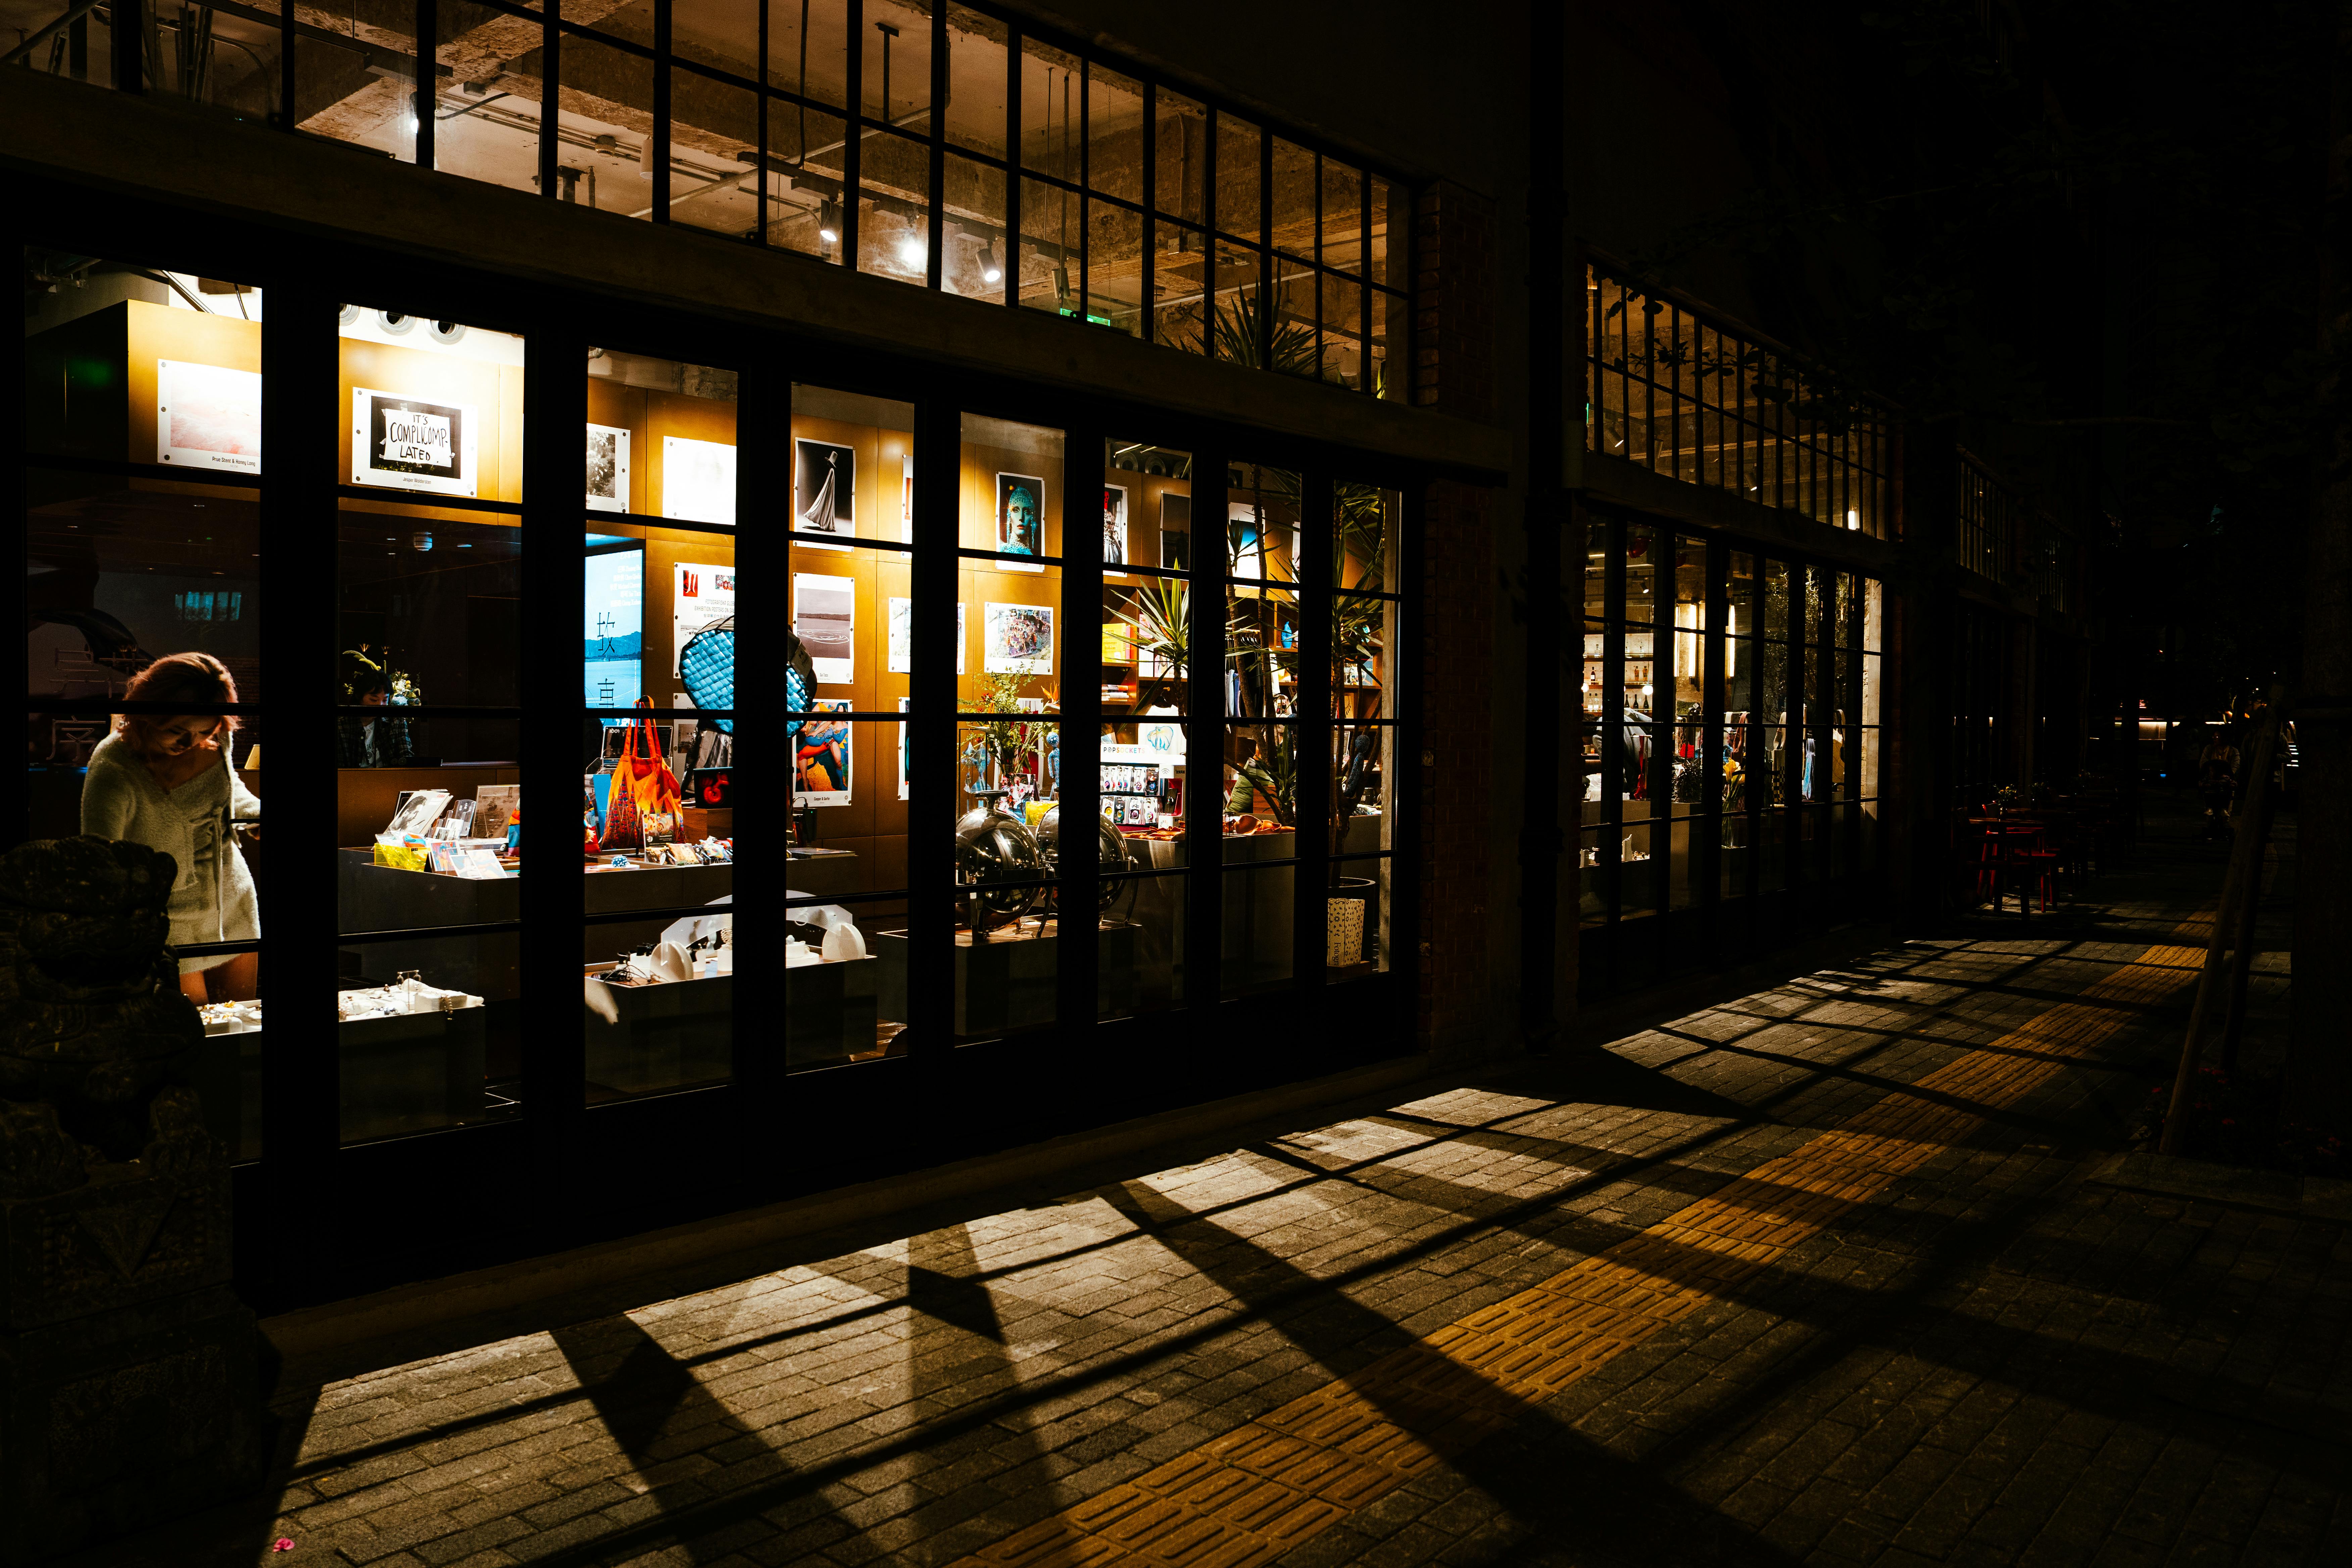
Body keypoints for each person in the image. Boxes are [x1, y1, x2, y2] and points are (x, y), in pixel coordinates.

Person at [80, 652, 260, 1002]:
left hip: (233, 900)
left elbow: (229, 788)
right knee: (192, 1039)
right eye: (176, 731)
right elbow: (98, 858)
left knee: (242, 1028)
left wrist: (254, 813)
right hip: (166, 920)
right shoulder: (114, 766)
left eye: (204, 731)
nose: (191, 743)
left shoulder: (218, 738)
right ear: (147, 718)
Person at [2196, 730, 2240, 839]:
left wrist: (2228, 778)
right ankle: (2210, 827)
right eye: (2214, 737)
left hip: (2225, 785)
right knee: (2209, 806)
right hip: (2211, 783)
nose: (2215, 739)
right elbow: (2203, 764)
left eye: (2217, 737)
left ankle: (2224, 827)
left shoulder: (2233, 752)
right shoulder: (2209, 749)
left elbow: (2235, 767)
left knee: (2225, 808)